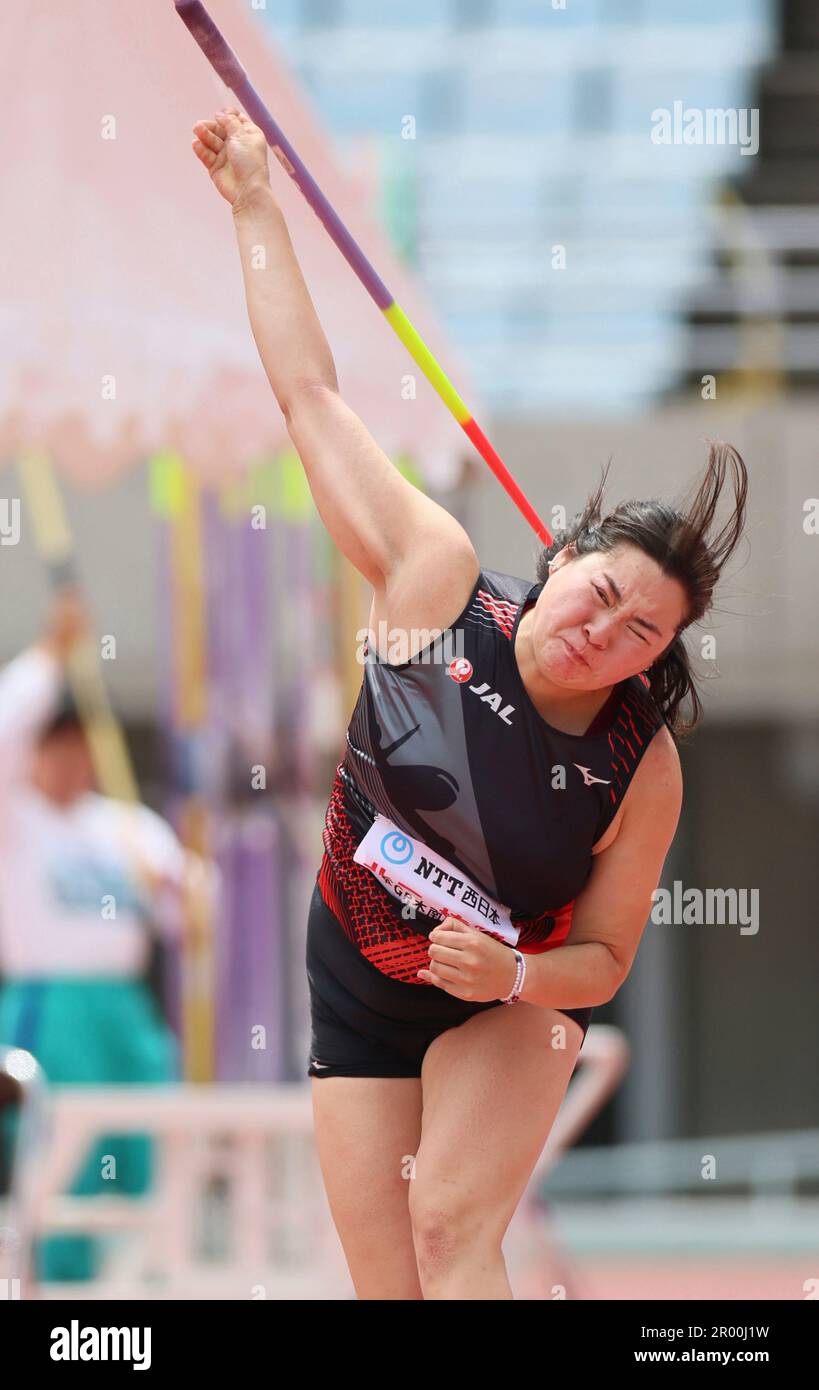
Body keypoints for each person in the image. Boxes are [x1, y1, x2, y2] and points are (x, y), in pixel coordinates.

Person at [192, 107, 749, 1300]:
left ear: (654, 661)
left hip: (516, 1004)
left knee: (451, 1227)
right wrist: (254, 207)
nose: (604, 633)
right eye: (602, 594)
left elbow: (602, 959)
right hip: (356, 967)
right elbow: (308, 395)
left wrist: (513, 978)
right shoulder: (433, 582)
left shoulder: (639, 767)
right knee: (390, 1286)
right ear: (559, 561)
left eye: (640, 633)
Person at [0, 590, 211, 1282]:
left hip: (128, 1009)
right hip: (48, 1004)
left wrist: (191, 897)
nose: (67, 760)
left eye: (78, 745)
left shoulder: (128, 826)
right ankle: (59, 1289)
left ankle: (151, 1280)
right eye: (52, 746)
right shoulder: (16, 820)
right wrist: (49, 654)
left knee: (153, 1136)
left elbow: (189, 914)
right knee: (63, 1155)